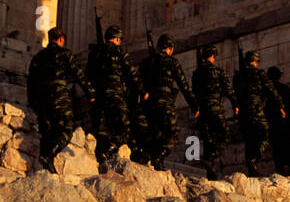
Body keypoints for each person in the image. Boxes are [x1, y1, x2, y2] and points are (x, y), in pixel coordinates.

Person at [26, 27, 92, 170]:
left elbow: (31, 81)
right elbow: (78, 75)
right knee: (67, 128)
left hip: (41, 99)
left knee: (47, 130)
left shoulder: (38, 57)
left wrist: (32, 102)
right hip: (59, 97)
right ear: (61, 39)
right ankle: (50, 155)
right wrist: (91, 94)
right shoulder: (64, 54)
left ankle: (46, 165)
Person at [87, 25, 143, 161]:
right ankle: (112, 146)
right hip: (115, 95)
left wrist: (91, 94)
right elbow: (132, 75)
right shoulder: (119, 52)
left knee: (102, 130)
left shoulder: (95, 53)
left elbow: (87, 74)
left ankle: (102, 156)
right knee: (124, 128)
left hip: (98, 96)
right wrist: (143, 91)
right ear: (117, 39)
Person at [139, 33, 192, 171]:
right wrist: (194, 105)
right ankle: (159, 156)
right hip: (164, 103)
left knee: (155, 134)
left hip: (148, 105)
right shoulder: (171, 62)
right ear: (169, 48)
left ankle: (155, 162)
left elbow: (138, 83)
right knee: (172, 134)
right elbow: (183, 85)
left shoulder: (146, 62)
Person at [233, 49, 284, 176]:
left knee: (249, 138)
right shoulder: (260, 73)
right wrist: (281, 106)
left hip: (243, 113)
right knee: (265, 133)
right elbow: (271, 90)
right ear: (255, 61)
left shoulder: (238, 76)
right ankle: (254, 158)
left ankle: (251, 167)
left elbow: (234, 93)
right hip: (256, 109)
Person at [190, 44, 233, 180]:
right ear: (213, 56)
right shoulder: (217, 71)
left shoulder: (197, 73)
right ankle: (211, 158)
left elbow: (194, 92)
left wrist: (196, 108)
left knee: (208, 139)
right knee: (224, 134)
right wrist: (235, 103)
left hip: (202, 112)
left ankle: (211, 173)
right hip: (215, 110)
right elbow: (228, 89)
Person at [265, 65, 290, 174]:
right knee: (286, 146)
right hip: (286, 125)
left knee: (277, 148)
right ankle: (286, 167)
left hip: (273, 125)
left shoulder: (266, 92)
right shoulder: (286, 89)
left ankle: (281, 169)